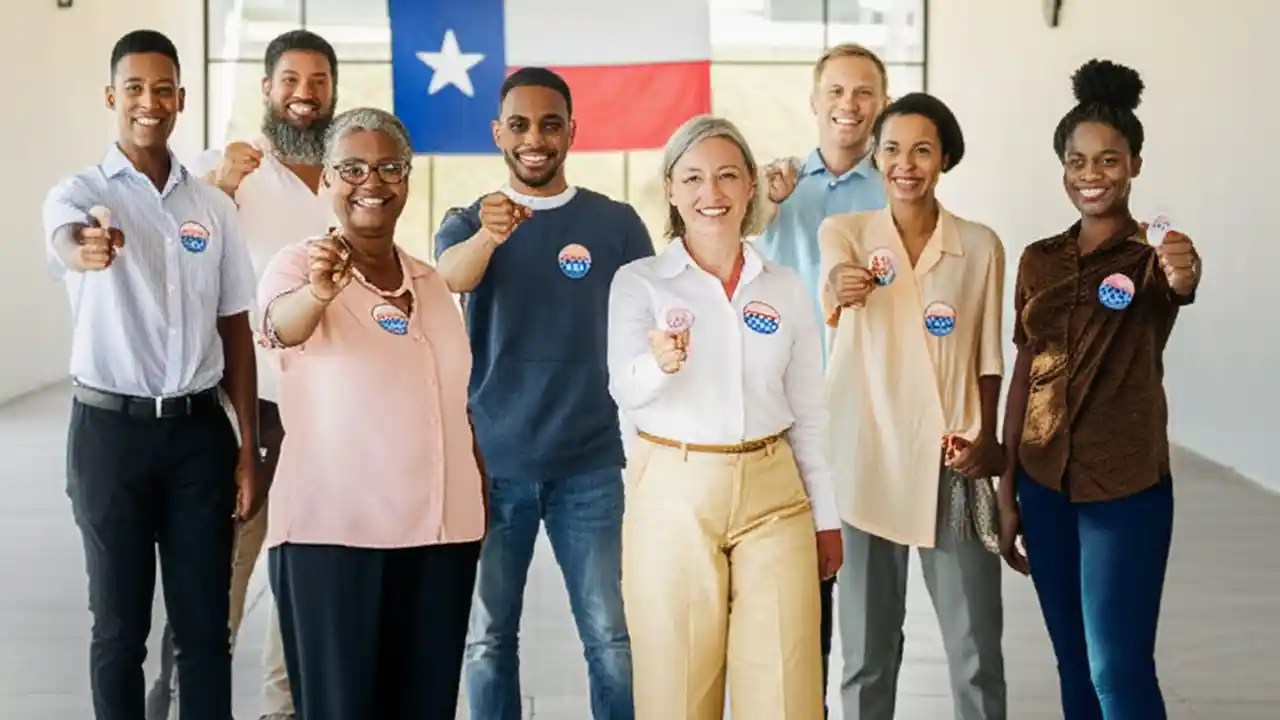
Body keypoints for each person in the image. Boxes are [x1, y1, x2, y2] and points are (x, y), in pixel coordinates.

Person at [40, 29, 261, 720]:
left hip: (199, 436)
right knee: (118, 632)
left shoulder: (212, 208)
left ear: (180, 99)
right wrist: (89, 247)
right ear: (113, 96)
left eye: (162, 88)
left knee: (204, 633)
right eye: (134, 88)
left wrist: (248, 448)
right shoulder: (78, 193)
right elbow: (68, 241)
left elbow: (235, 329)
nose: (149, 101)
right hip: (110, 436)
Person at [607, 114, 843, 720]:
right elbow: (625, 391)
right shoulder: (639, 284)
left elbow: (810, 410)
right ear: (671, 189)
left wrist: (826, 517)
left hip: (774, 493)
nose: (710, 194)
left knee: (788, 693)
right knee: (677, 692)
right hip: (674, 493)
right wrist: (659, 363)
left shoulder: (785, 287)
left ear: (749, 190)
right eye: (693, 178)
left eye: (726, 177)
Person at [434, 66, 653, 720]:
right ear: (499, 133)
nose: (536, 138)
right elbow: (451, 275)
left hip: (589, 464)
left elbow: (652, 313)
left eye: (550, 124)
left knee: (610, 638)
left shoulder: (614, 224)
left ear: (570, 133)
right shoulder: (468, 220)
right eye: (521, 125)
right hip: (493, 466)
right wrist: (493, 235)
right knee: (487, 639)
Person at [257, 107, 487, 719]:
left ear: (407, 178)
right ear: (328, 179)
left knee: (425, 706)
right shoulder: (300, 265)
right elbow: (280, 325)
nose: (373, 182)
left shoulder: (432, 284)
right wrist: (320, 293)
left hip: (441, 535)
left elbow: (452, 402)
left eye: (389, 167)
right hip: (334, 536)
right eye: (353, 168)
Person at [999, 59, 1201, 720]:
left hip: (1127, 484)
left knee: (1117, 666)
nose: (1092, 174)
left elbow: (1181, 287)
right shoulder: (1038, 259)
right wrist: (1006, 491)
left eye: (1109, 160)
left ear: (1135, 164)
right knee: (1074, 661)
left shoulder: (1154, 256)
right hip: (1042, 481)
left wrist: (1184, 271)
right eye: (1077, 160)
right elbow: (1025, 373)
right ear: (1062, 166)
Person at [147, 29, 339, 720]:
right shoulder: (225, 169)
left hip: (327, 413)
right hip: (247, 408)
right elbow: (164, 246)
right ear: (266, 89)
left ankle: (282, 711)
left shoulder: (348, 177)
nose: (304, 93)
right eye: (290, 79)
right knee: (221, 575)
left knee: (306, 576)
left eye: (318, 80)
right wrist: (221, 185)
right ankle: (177, 705)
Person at [819, 93, 1008, 720]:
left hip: (951, 462)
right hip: (868, 459)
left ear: (945, 158)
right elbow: (835, 282)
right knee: (868, 655)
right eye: (893, 148)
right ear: (875, 156)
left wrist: (988, 446)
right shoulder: (845, 234)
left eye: (922, 150)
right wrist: (842, 288)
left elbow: (987, 355)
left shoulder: (980, 245)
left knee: (975, 648)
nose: (906, 164)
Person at [752, 42, 890, 707]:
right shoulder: (777, 189)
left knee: (857, 580)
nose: (849, 104)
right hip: (785, 412)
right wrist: (766, 208)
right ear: (814, 102)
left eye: (863, 92)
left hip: (863, 409)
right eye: (836, 91)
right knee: (798, 585)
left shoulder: (893, 187)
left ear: (881, 104)